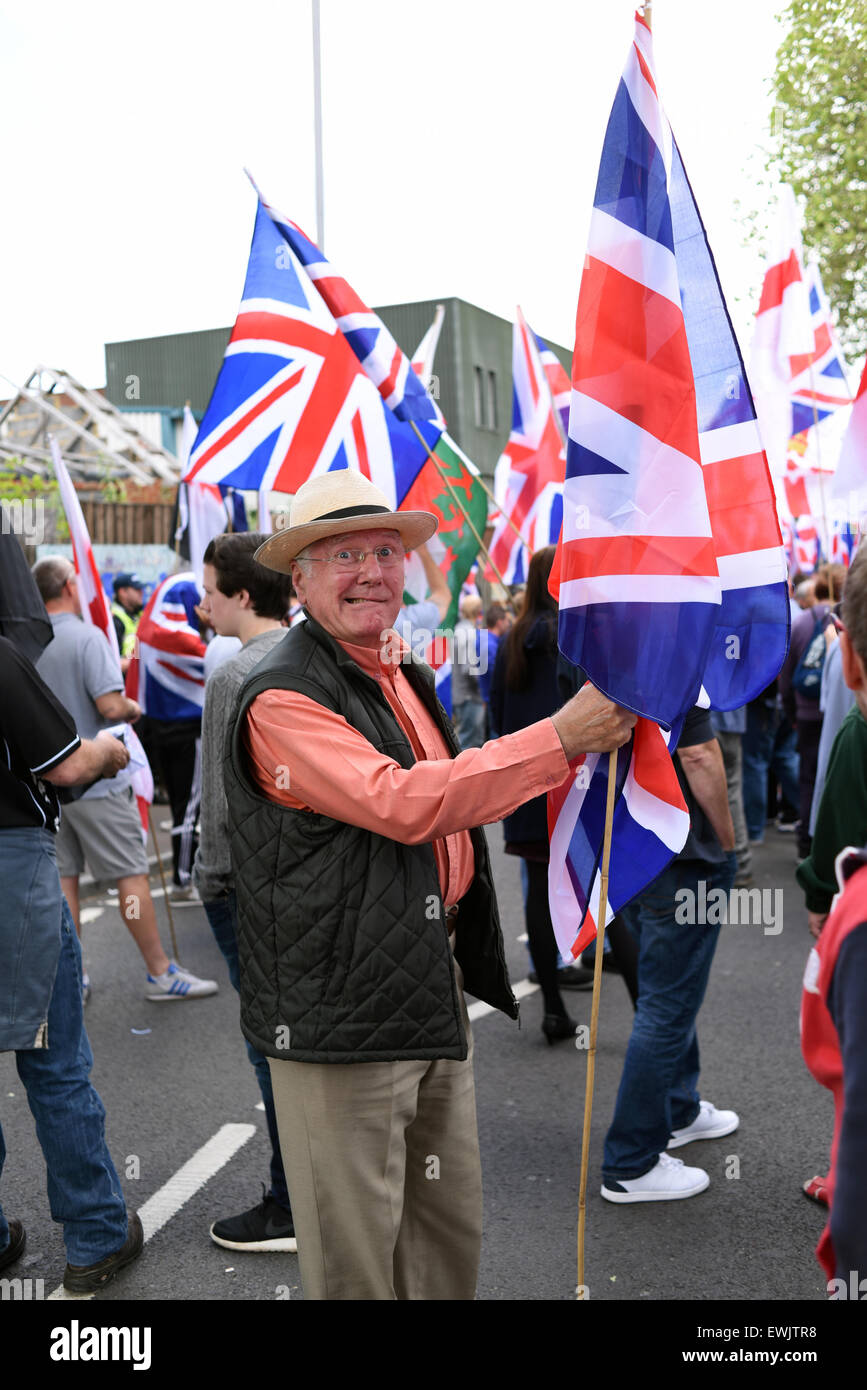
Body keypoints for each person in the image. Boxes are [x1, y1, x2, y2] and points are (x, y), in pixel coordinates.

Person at [223, 471, 635, 1300]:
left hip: (422, 978)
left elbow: (439, 789)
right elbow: (404, 803)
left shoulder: (390, 663)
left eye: (384, 549)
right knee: (358, 1265)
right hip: (338, 1003)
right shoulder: (280, 693)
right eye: (343, 554)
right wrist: (557, 737)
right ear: (297, 580)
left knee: (445, 1231)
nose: (371, 569)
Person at [0, 627, 143, 1293]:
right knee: (54, 1063)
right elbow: (64, 763)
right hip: (8, 868)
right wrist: (110, 753)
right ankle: (95, 1234)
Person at [31, 556, 217, 1002]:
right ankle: (159, 971)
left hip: (49, 785)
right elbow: (111, 707)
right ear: (71, 587)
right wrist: (134, 708)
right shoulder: (88, 636)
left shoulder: (27, 641)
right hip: (98, 776)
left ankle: (74, 976)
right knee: (130, 875)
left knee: (65, 881)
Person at [192, 533, 296, 1253]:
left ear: (242, 594)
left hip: (244, 886)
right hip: (304, 882)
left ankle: (290, 1204)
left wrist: (209, 881)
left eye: (208, 591)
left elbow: (219, 801)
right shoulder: (309, 653)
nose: (201, 606)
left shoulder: (233, 673)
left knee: (269, 1046)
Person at [600, 706, 739, 1203]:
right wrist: (726, 840)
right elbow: (698, 753)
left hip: (631, 841)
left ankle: (679, 1108)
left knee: (670, 993)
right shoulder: (671, 645)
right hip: (684, 852)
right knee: (666, 1005)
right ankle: (630, 1162)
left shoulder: (585, 641)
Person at [489, 546, 580, 1041]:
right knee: (600, 885)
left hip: (525, 778)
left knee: (539, 898)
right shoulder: (572, 636)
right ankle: (644, 1002)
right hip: (569, 780)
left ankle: (551, 1008)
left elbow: (497, 717)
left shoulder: (509, 641)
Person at [780, 563, 846, 859]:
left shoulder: (801, 622)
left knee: (809, 777)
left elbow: (786, 675)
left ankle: (806, 846)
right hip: (842, 712)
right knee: (838, 776)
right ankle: (835, 847)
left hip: (806, 715)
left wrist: (792, 714)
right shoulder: (849, 621)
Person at [451, 594, 486, 748]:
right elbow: (469, 669)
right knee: (471, 745)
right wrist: (483, 690)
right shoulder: (469, 633)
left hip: (462, 695)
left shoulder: (459, 630)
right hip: (470, 697)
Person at [111, 571, 145, 673]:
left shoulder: (140, 615)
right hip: (125, 684)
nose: (141, 592)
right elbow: (111, 664)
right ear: (122, 592)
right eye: (136, 589)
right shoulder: (114, 619)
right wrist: (139, 661)